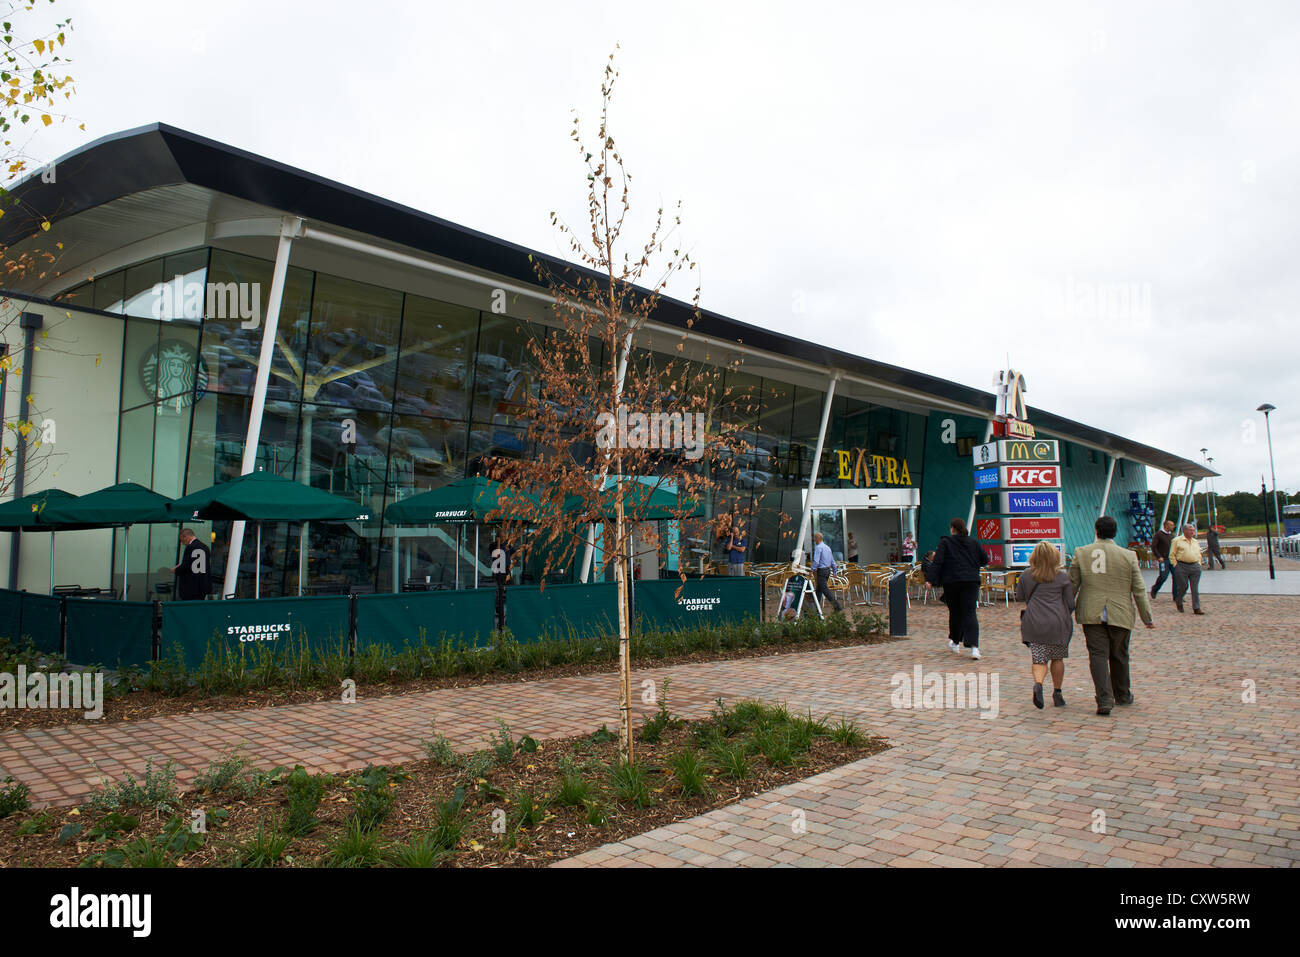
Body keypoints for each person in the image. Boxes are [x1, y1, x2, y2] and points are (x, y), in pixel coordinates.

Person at [1069, 515, 1154, 716]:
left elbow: (1072, 585)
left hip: (1091, 612)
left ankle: (1104, 699)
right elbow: (1139, 589)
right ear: (1115, 532)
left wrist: (1065, 609)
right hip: (1121, 611)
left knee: (1097, 655)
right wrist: (1146, 617)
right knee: (1120, 654)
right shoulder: (1128, 555)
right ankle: (1122, 694)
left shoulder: (1081, 553)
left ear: (1096, 531)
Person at [1017, 541, 1075, 709]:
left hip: (1034, 621)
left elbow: (1020, 597)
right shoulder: (1062, 576)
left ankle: (1038, 684)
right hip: (1057, 622)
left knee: (1039, 658)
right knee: (1057, 657)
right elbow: (1070, 603)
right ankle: (1057, 693)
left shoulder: (1026, 575)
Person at [925, 518, 988, 659]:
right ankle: (974, 647)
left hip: (952, 582)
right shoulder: (973, 542)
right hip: (971, 581)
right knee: (970, 612)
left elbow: (938, 562)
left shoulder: (945, 542)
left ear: (953, 528)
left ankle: (955, 641)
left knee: (955, 612)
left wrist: (930, 579)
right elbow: (985, 559)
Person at [1169, 523, 1204, 614]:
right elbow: (1172, 554)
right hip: (1181, 566)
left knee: (1195, 588)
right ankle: (1179, 600)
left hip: (1195, 566)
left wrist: (1199, 564)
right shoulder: (1176, 540)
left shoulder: (1195, 541)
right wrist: (1175, 565)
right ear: (1184, 531)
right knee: (1183, 586)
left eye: (1193, 530)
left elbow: (1198, 553)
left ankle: (1196, 607)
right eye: (1190, 530)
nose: (1192, 532)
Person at [171, 528, 211, 601]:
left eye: (182, 540)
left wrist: (176, 570)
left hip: (190, 586)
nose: (182, 543)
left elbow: (187, 566)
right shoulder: (205, 547)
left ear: (185, 537)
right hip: (202, 585)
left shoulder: (190, 547)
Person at [810, 532, 842, 613]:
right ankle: (816, 609)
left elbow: (816, 561)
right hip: (827, 571)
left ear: (818, 538)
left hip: (821, 571)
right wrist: (834, 571)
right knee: (819, 590)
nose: (814, 540)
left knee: (824, 589)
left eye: (815, 538)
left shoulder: (818, 548)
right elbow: (832, 561)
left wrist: (812, 570)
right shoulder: (828, 548)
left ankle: (837, 606)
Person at [1149, 519, 1175, 600]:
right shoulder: (1159, 534)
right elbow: (1153, 546)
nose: (1173, 527)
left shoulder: (1172, 536)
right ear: (1166, 526)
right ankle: (1155, 589)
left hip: (1172, 559)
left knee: (1176, 577)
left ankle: (1176, 596)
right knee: (1163, 576)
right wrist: (1159, 556)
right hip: (1163, 559)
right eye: (1171, 525)